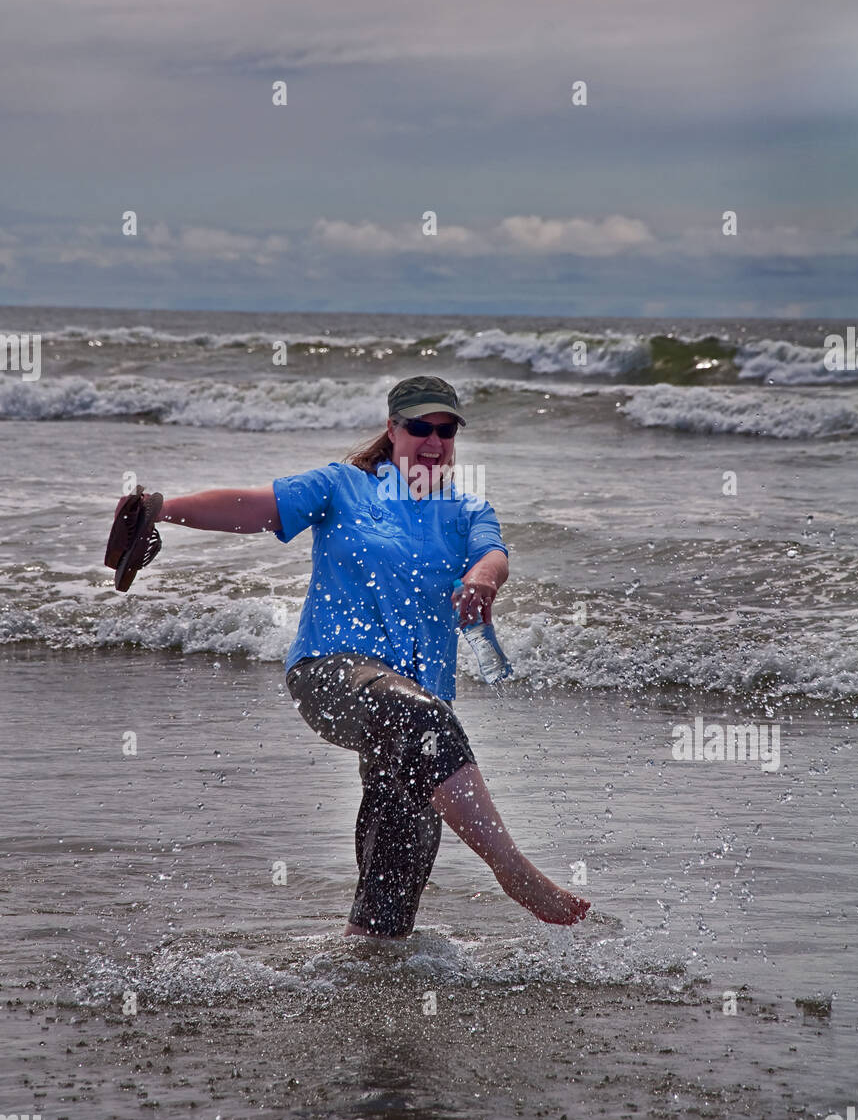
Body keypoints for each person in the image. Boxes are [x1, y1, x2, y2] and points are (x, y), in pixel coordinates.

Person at [135, 375, 590, 939]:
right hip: (330, 674)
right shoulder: (342, 485)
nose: (433, 441)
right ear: (393, 429)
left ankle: (365, 959)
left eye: (444, 431)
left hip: (420, 707)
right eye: (419, 428)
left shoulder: (469, 510)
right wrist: (159, 509)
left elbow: (494, 556)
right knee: (423, 719)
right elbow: (255, 507)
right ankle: (512, 867)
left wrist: (481, 581)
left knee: (397, 867)